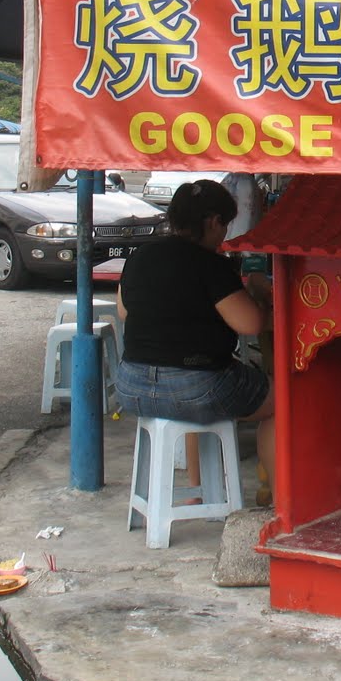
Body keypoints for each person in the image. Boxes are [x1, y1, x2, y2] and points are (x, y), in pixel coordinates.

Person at [115, 179, 276, 495]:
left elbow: (123, 311)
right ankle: (281, 501)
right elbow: (251, 324)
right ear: (214, 222)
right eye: (225, 225)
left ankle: (195, 491)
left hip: (132, 386)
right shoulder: (210, 264)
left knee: (192, 392)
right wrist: (261, 297)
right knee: (281, 400)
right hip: (196, 388)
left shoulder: (140, 256)